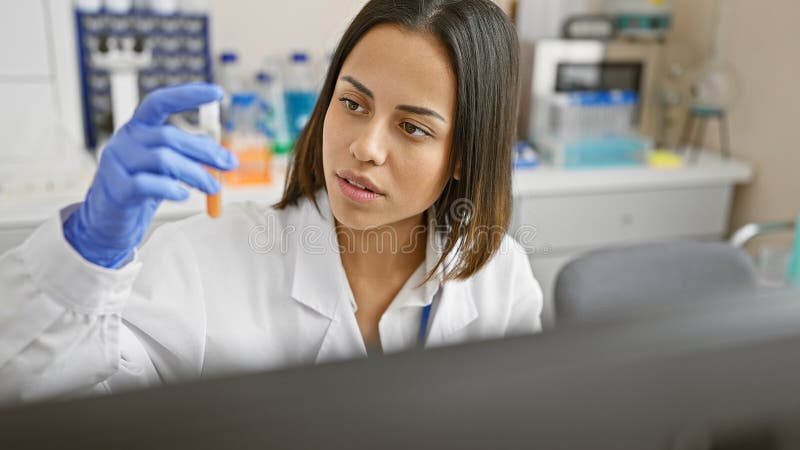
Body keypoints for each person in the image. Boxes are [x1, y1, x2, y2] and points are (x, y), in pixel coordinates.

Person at [0, 0, 542, 405]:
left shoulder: (501, 278)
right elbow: (42, 399)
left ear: (466, 155)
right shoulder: (200, 262)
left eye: (412, 127)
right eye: (352, 102)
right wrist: (86, 254)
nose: (364, 146)